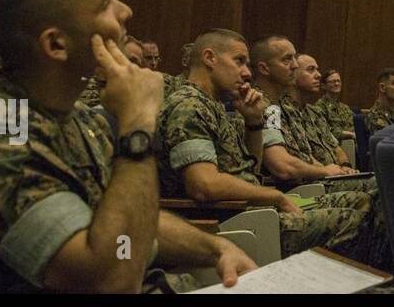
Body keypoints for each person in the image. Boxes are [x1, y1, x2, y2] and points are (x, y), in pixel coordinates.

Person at [0, 0, 255, 293]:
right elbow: (111, 280)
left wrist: (217, 248)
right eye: (105, 4)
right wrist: (137, 125)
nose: (125, 11)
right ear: (56, 44)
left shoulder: (79, 118)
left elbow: (128, 221)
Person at [155, 29, 378, 262]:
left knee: (367, 201)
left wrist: (253, 124)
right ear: (210, 58)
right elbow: (210, 182)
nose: (246, 73)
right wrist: (278, 195)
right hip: (240, 216)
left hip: (260, 205)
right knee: (362, 215)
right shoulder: (196, 106)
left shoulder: (232, 106)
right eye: (239, 61)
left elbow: (248, 170)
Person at [251, 36, 350, 182]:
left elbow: (305, 155)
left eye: (294, 59)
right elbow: (282, 167)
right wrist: (325, 171)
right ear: (264, 68)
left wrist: (337, 170)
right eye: (287, 60)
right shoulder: (260, 106)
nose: (295, 65)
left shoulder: (281, 108)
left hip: (312, 181)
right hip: (293, 190)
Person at [317, 69, 357, 141]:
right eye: (332, 81)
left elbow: (354, 127)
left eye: (338, 81)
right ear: (324, 86)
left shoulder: (345, 107)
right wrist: (350, 134)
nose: (336, 84)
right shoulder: (319, 107)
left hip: (352, 144)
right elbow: (325, 132)